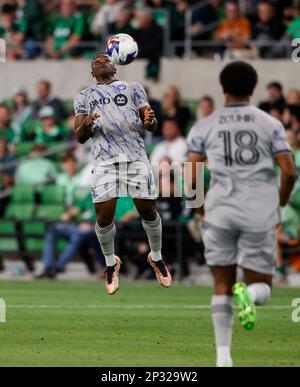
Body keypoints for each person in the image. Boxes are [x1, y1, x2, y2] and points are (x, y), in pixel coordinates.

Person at [187, 61, 296, 367]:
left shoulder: (204, 125)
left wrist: (201, 210)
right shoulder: (269, 123)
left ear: (223, 89)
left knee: (221, 283)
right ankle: (248, 293)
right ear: (253, 88)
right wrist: (281, 203)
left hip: (220, 210)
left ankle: (223, 358)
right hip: (258, 211)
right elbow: (289, 171)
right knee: (262, 286)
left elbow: (191, 174)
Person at [73, 53, 172, 295]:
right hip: (104, 160)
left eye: (105, 59)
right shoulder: (84, 96)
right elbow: (79, 136)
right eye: (96, 61)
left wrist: (150, 120)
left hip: (135, 156)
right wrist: (87, 123)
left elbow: (151, 123)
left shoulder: (133, 88)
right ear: (92, 72)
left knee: (147, 210)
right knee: (104, 218)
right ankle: (111, 263)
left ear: (115, 67)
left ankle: (156, 257)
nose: (101, 61)